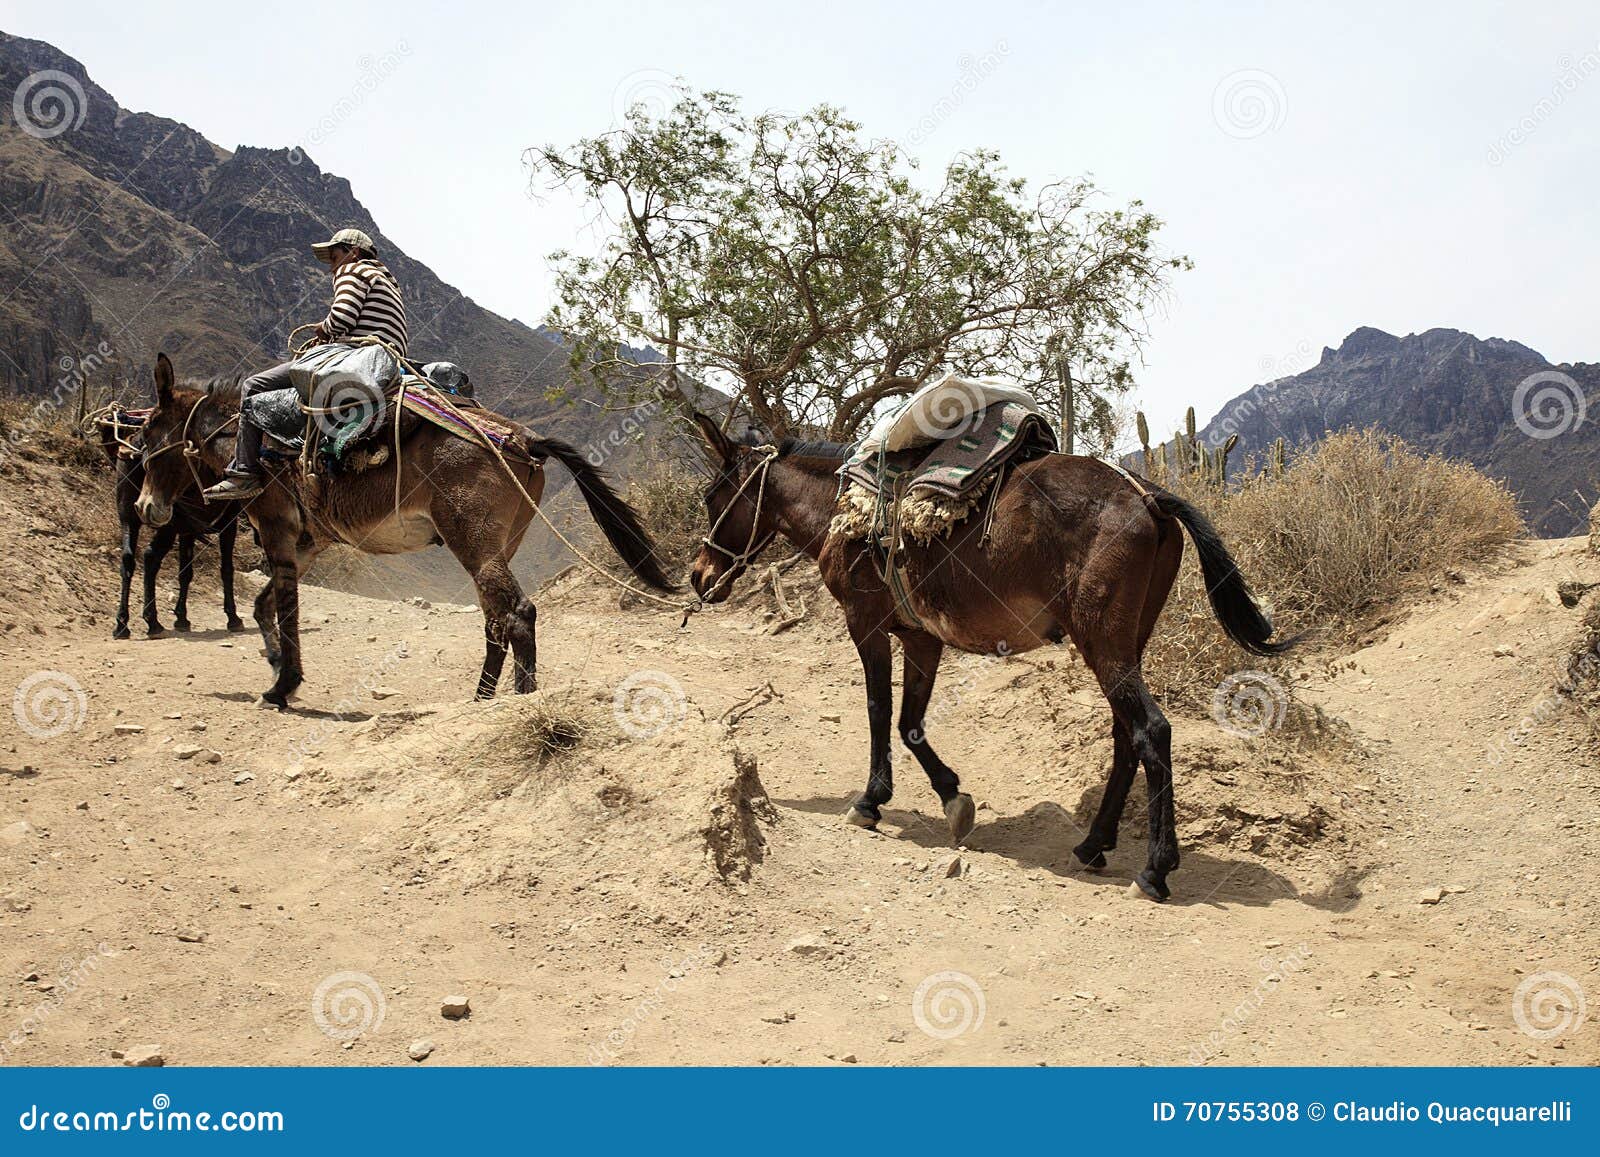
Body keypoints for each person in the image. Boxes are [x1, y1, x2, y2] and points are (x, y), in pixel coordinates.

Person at [202, 228, 410, 500]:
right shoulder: (387, 281)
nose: (331, 268)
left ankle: (245, 472)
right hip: (389, 361)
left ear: (353, 253)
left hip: (356, 355)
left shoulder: (353, 271)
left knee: (254, 386)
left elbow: (342, 318)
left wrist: (323, 331)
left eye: (334, 258)